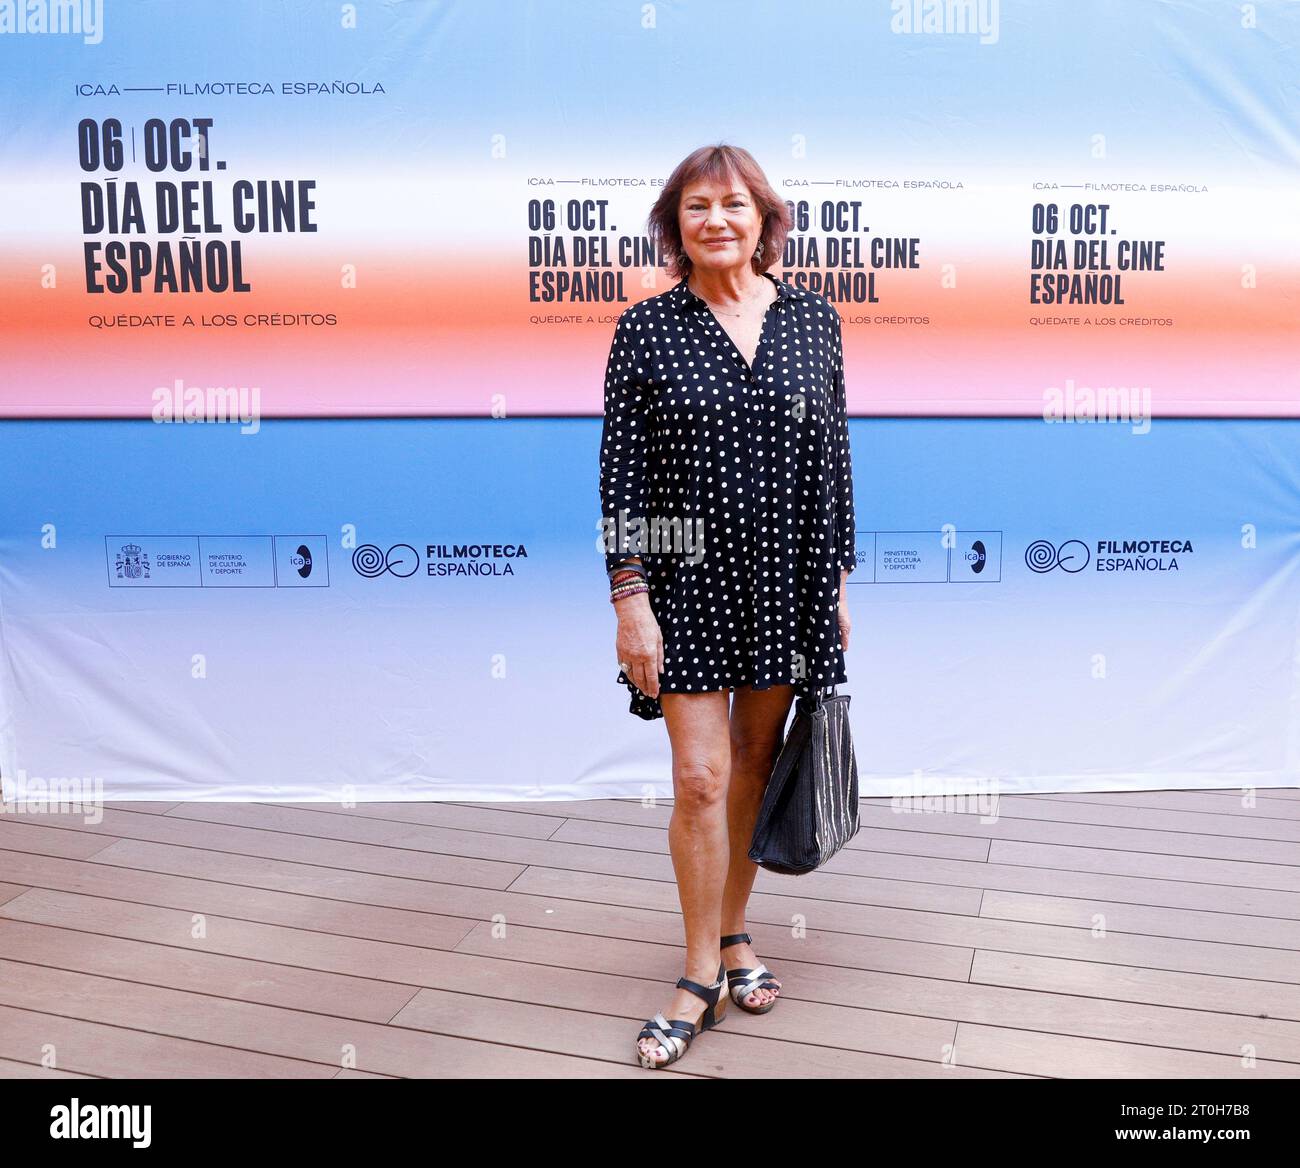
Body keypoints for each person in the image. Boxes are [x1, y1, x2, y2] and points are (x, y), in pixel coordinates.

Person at [598, 143, 856, 1069]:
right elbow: (623, 475)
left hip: (786, 579)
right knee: (700, 778)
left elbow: (833, 464)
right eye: (698, 206)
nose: (717, 220)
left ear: (764, 220)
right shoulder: (647, 330)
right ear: (676, 226)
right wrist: (633, 600)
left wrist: (832, 584)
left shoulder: (814, 323)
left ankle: (738, 931)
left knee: (755, 761)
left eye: (735, 204)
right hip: (687, 581)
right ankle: (699, 969)